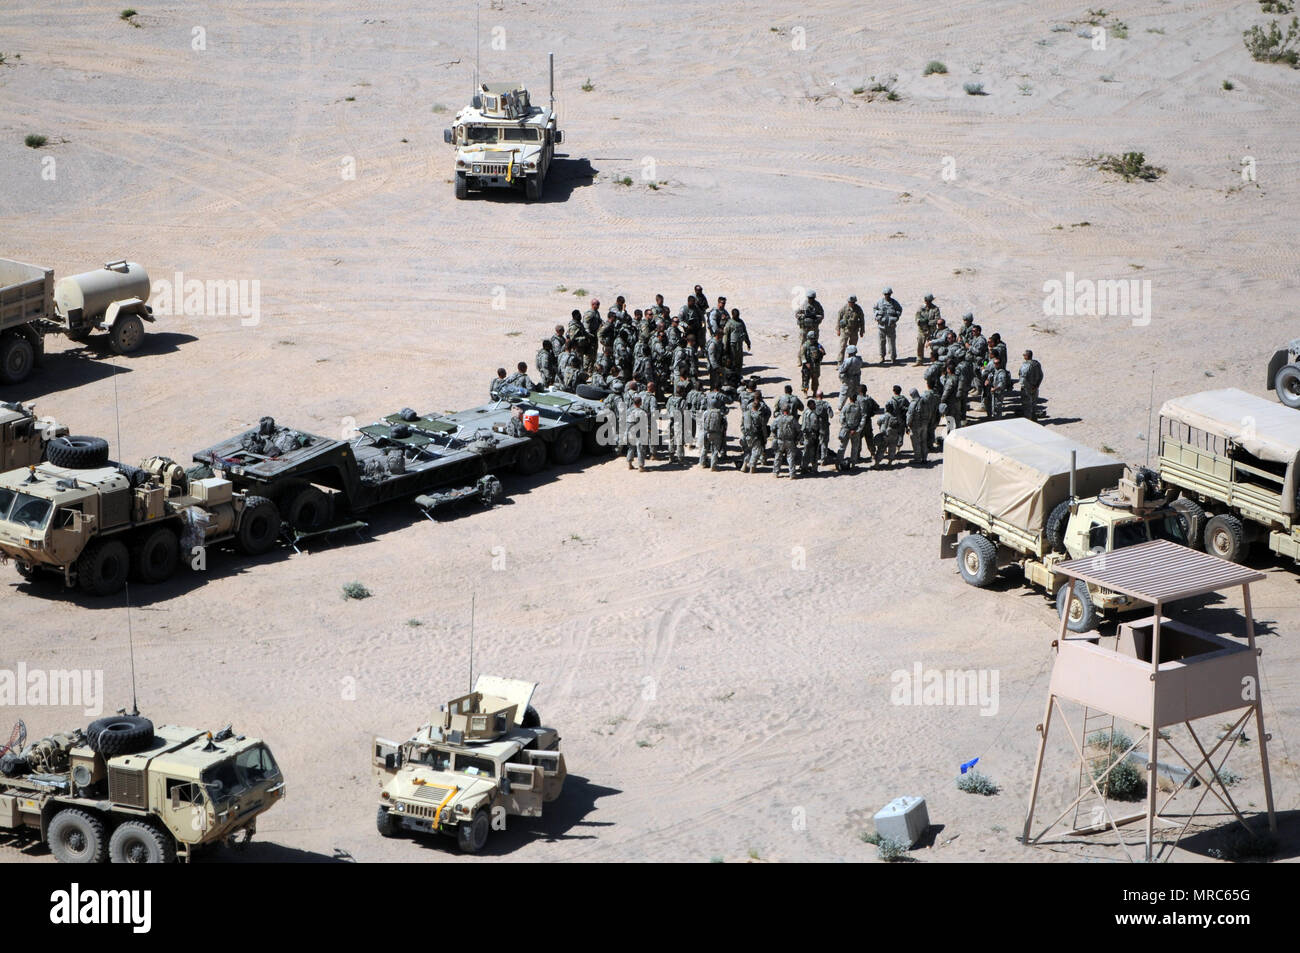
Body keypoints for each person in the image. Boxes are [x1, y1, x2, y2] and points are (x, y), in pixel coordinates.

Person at [874, 286, 902, 365]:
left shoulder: (894, 302)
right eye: (886, 294)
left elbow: (899, 310)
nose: (887, 295)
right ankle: (882, 356)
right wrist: (877, 316)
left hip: (891, 326)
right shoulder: (879, 302)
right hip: (881, 326)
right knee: (881, 342)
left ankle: (893, 357)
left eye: (889, 294)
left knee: (892, 343)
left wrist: (896, 317)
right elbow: (875, 309)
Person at [837, 392, 865, 470]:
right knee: (855, 448)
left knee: (842, 447)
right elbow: (863, 419)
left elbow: (841, 419)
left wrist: (847, 428)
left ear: (849, 399)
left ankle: (838, 463)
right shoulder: (859, 407)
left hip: (846, 431)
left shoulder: (846, 407)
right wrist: (857, 429)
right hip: (855, 432)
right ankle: (853, 464)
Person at [772, 407, 800, 479]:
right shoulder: (792, 419)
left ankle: (776, 473)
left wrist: (776, 434)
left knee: (778, 456)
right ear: (789, 410)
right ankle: (792, 474)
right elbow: (798, 429)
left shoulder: (778, 418)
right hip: (790, 441)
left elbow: (772, 428)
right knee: (790, 457)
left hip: (780, 440)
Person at [740, 396, 765, 473]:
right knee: (755, 451)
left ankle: (744, 466)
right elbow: (763, 428)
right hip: (756, 436)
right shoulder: (760, 415)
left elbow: (741, 426)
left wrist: (745, 434)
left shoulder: (745, 414)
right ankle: (752, 467)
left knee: (747, 451)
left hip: (747, 435)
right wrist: (765, 437)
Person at [836, 295, 865, 362]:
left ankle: (851, 361)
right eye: (850, 302)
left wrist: (862, 331)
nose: (851, 303)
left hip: (854, 331)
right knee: (842, 347)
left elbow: (862, 320)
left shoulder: (858, 309)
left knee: (852, 347)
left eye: (852, 302)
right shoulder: (843, 309)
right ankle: (840, 362)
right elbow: (838, 319)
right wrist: (838, 330)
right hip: (845, 330)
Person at [625, 396, 650, 471]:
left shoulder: (628, 410)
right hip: (639, 432)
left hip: (629, 431)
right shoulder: (642, 412)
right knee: (640, 449)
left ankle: (629, 464)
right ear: (640, 403)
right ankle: (641, 466)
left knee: (631, 448)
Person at [665, 386, 688, 464]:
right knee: (679, 441)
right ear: (682, 392)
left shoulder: (670, 399)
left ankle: (671, 457)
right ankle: (680, 459)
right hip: (679, 422)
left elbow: (667, 408)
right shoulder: (683, 401)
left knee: (671, 440)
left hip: (671, 421)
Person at [905, 388, 929, 464]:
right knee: (924, 441)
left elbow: (910, 416)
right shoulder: (924, 401)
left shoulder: (913, 404)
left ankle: (918, 458)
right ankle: (924, 458)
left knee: (916, 442)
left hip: (916, 426)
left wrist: (908, 425)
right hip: (924, 424)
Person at [915, 293, 940, 363]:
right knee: (920, 345)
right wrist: (919, 321)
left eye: (929, 301)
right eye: (926, 300)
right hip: (922, 330)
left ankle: (935, 360)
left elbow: (937, 319)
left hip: (931, 330)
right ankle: (919, 359)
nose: (927, 302)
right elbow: (917, 317)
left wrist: (928, 322)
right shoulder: (921, 308)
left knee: (933, 346)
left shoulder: (935, 309)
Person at [1019, 349, 1044, 420]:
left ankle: (1029, 420)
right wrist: (1036, 386)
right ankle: (1034, 418)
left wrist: (1026, 387)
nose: (1023, 356)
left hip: (1027, 388)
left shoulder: (1026, 366)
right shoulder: (1036, 364)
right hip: (1035, 387)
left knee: (1027, 405)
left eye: (1024, 355)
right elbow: (1041, 375)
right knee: (1033, 404)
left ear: (1027, 356)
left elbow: (1023, 378)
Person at [800, 399, 823, 473]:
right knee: (814, 452)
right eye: (813, 405)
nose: (815, 406)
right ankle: (814, 468)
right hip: (812, 436)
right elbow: (815, 425)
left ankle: (804, 467)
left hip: (806, 435)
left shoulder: (805, 412)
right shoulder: (813, 414)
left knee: (805, 452)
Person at [837, 345, 863, 410]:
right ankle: (857, 406)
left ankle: (840, 407)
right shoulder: (859, 359)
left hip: (848, 379)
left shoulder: (848, 360)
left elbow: (841, 370)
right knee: (855, 392)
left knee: (844, 393)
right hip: (857, 378)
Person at [799, 331, 823, 395]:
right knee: (805, 380)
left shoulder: (818, 345)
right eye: (811, 339)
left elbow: (823, 352)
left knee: (815, 380)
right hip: (807, 366)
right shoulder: (805, 345)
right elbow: (802, 354)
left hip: (815, 366)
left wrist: (821, 351)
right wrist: (806, 362)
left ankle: (814, 392)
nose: (813, 340)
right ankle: (805, 392)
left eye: (814, 338)